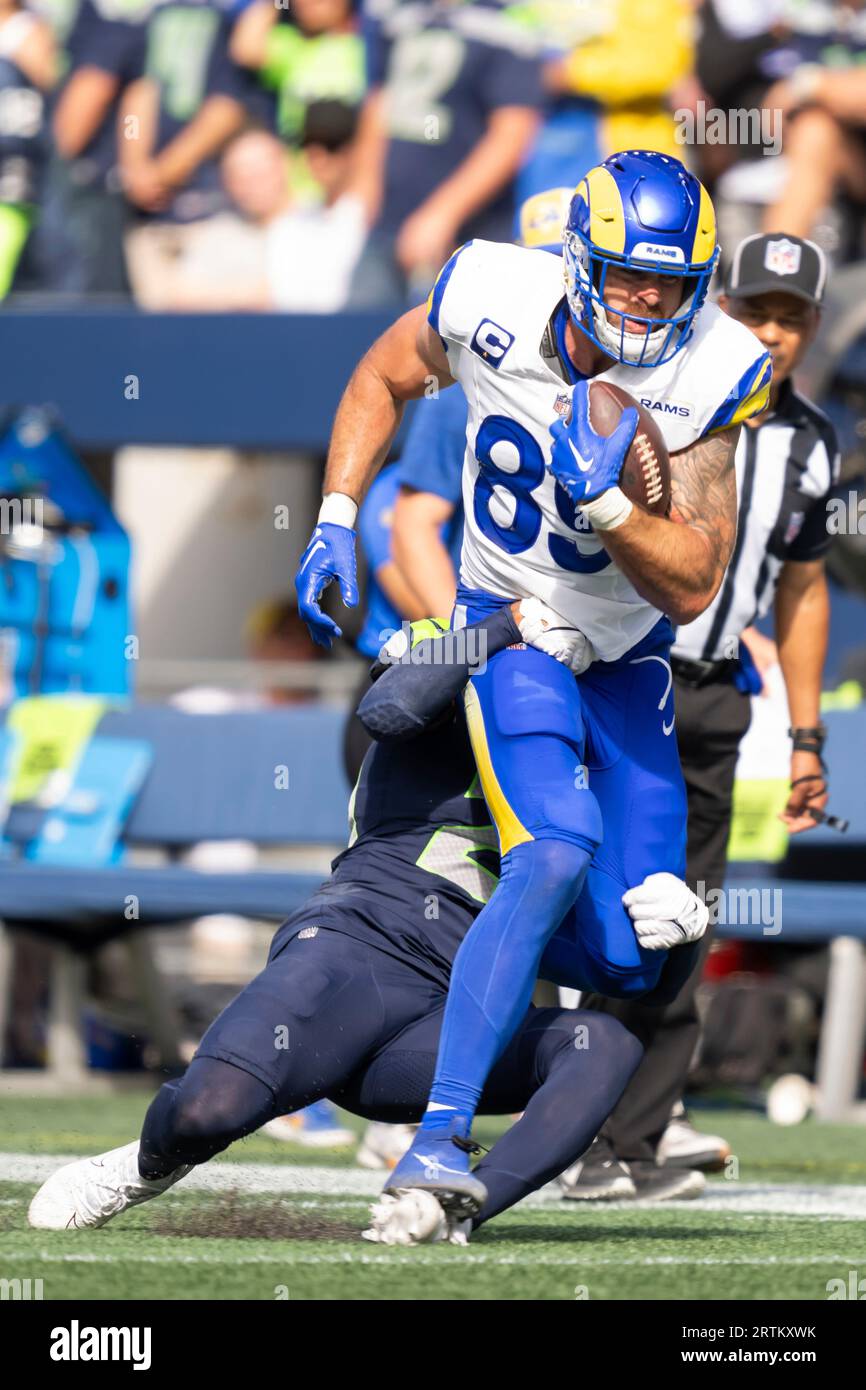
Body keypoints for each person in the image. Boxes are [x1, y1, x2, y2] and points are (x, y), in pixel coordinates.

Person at [293, 149, 772, 1224]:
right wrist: (333, 515)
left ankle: (437, 922)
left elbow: (693, 581)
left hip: (628, 662)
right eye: (626, 272)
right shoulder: (490, 294)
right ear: (576, 258)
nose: (647, 299)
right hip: (510, 628)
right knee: (553, 848)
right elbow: (381, 374)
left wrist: (607, 508)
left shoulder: (711, 370)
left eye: (670, 281)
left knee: (635, 950)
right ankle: (432, 1139)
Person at [27, 607, 705, 1245]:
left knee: (604, 1043)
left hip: (451, 1019)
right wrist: (505, 626)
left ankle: (445, 1208)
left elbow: (621, 974)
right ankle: (146, 1163)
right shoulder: (463, 642)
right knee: (209, 1110)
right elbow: (390, 708)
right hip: (355, 952)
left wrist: (676, 936)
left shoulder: (602, 742)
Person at [569, 231, 842, 1198]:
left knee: (686, 918)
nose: (771, 333)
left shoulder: (813, 444)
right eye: (755, 311)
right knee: (576, 893)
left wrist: (808, 738)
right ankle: (534, 1118)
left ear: (814, 327)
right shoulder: (656, 392)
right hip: (616, 671)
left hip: (717, 689)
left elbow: (805, 592)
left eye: (791, 317)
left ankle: (626, 1146)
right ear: (720, 306)